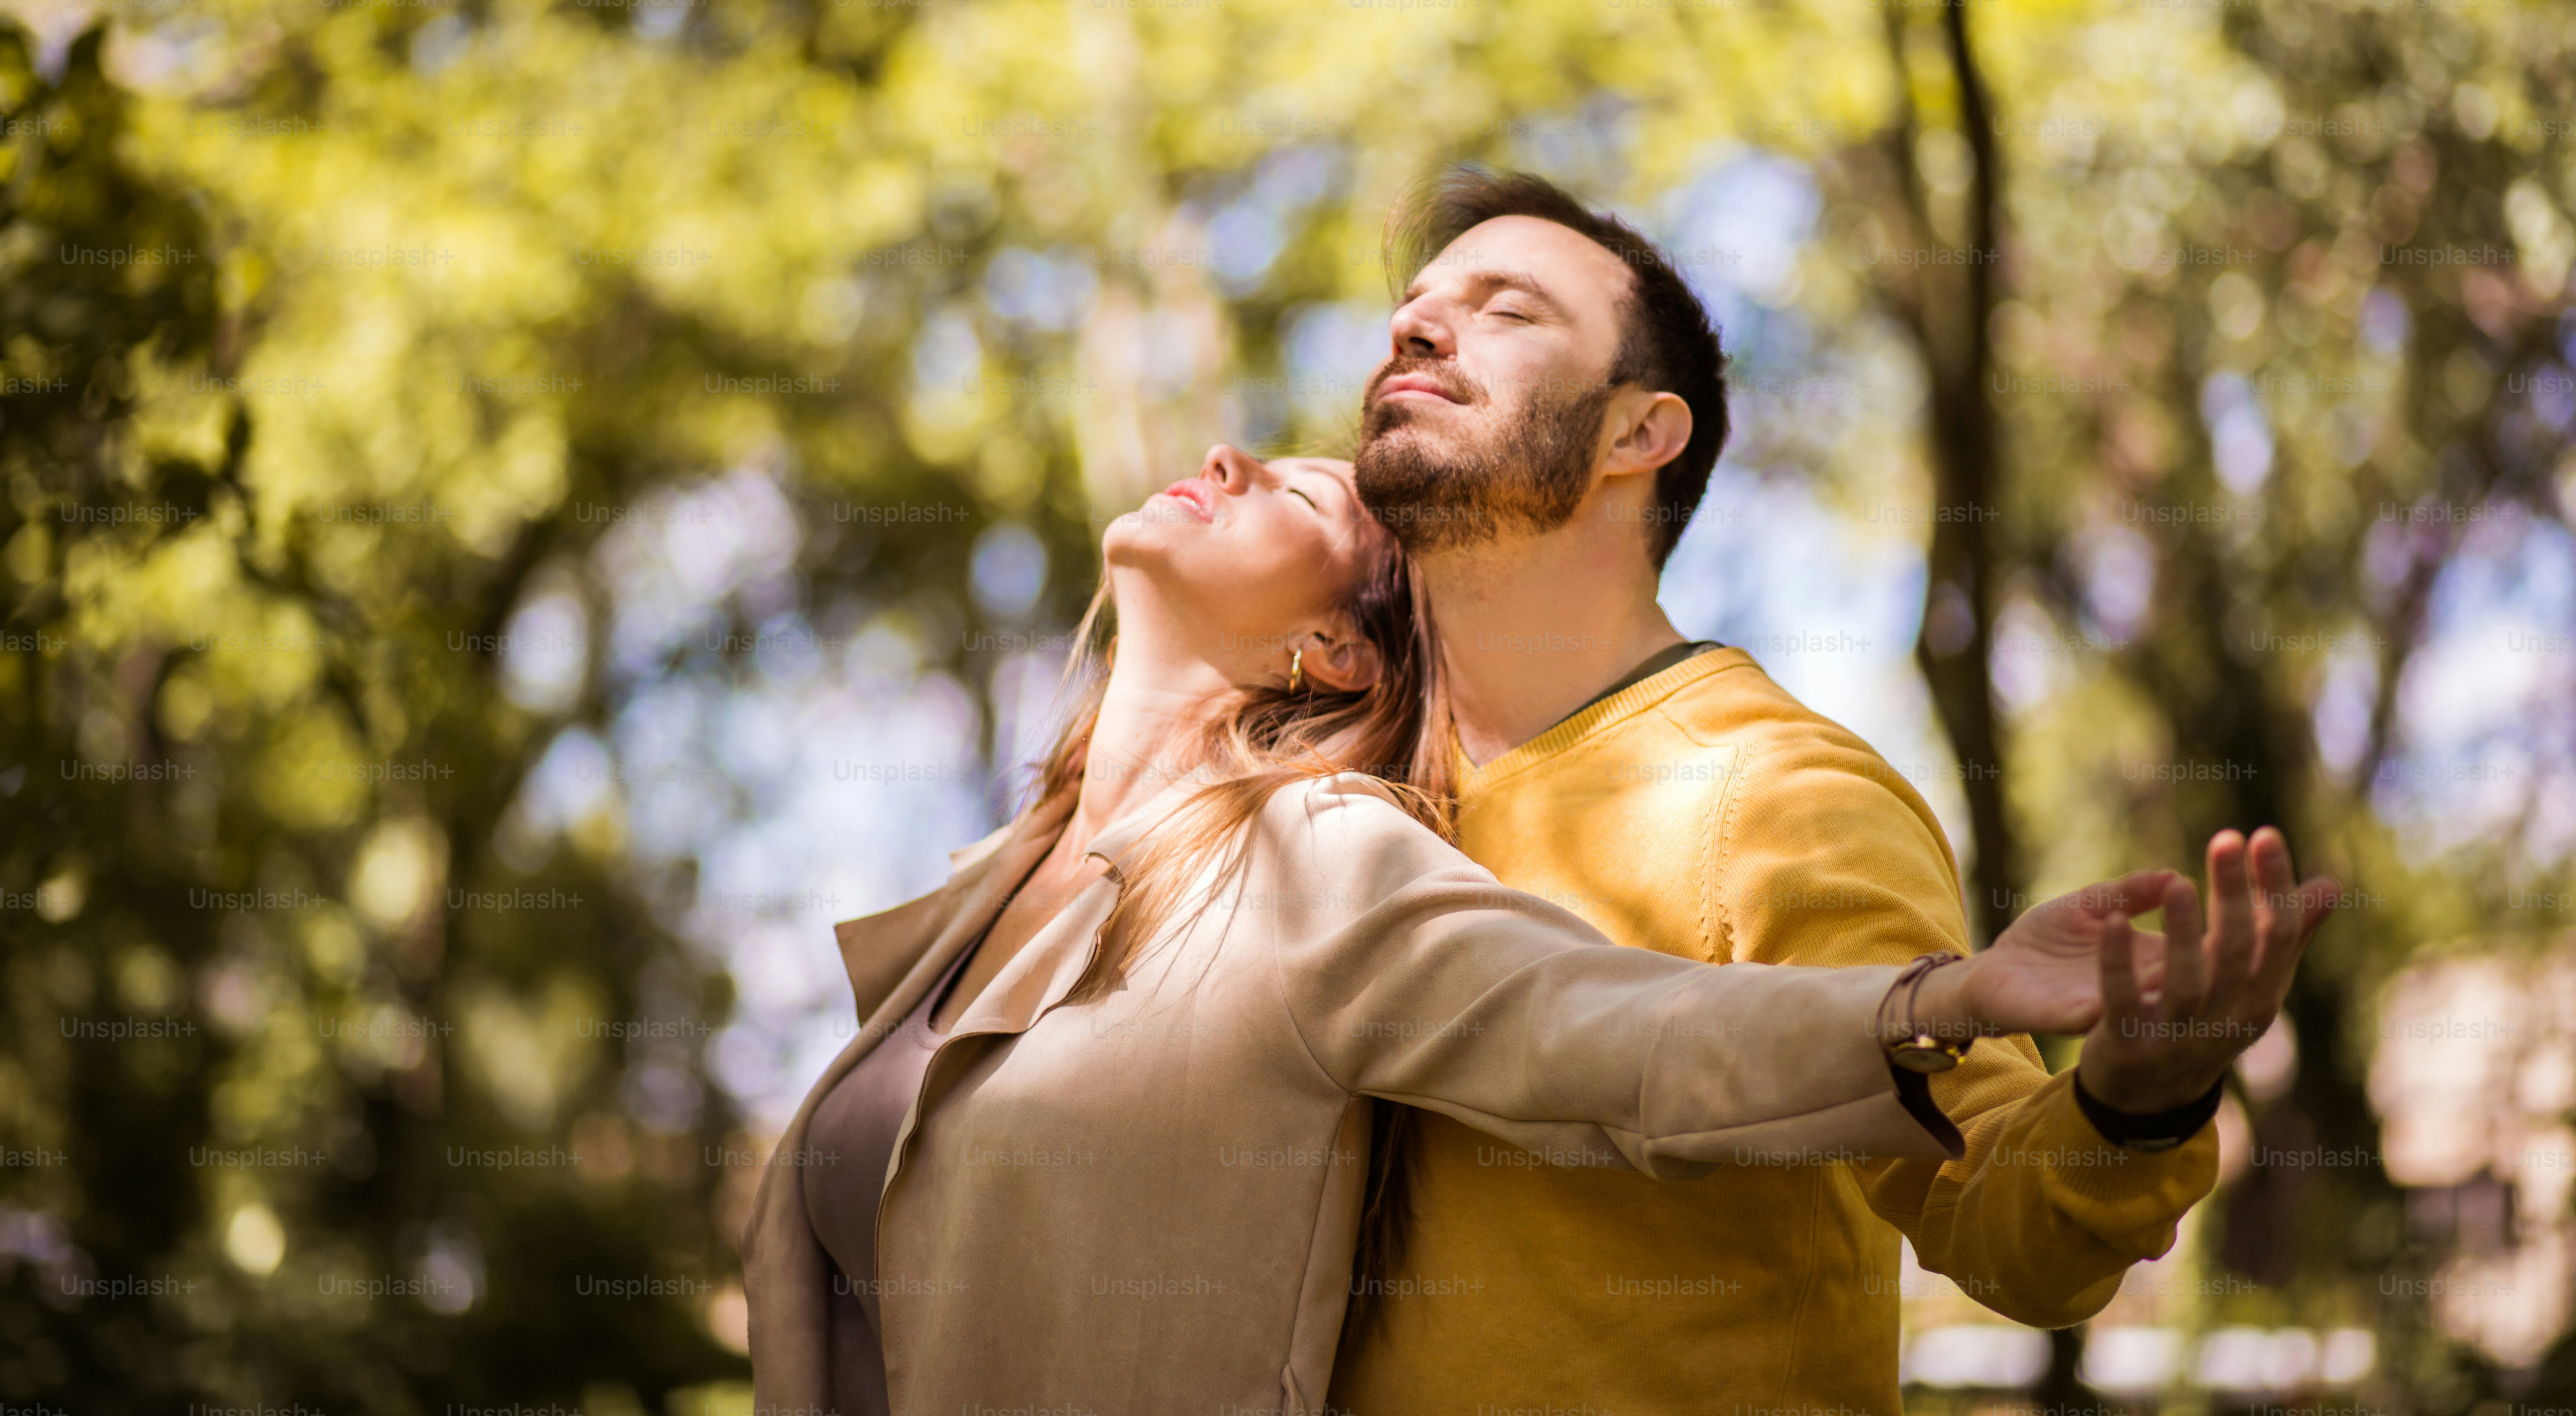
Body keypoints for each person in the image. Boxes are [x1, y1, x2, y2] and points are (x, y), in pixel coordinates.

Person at [741, 440, 2337, 1416]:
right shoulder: (987, 893)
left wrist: (1947, 995)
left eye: (1294, 492)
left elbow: (1618, 1036)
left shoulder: (1311, 860)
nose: (1224, 459)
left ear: (1331, 657)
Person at [1329, 166, 2329, 1415]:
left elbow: (2001, 1225)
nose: (1412, 328)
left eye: (1508, 309)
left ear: (1638, 433)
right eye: (1417, 305)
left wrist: (2136, 1099)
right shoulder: (1336, 783)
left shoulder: (1776, 793)